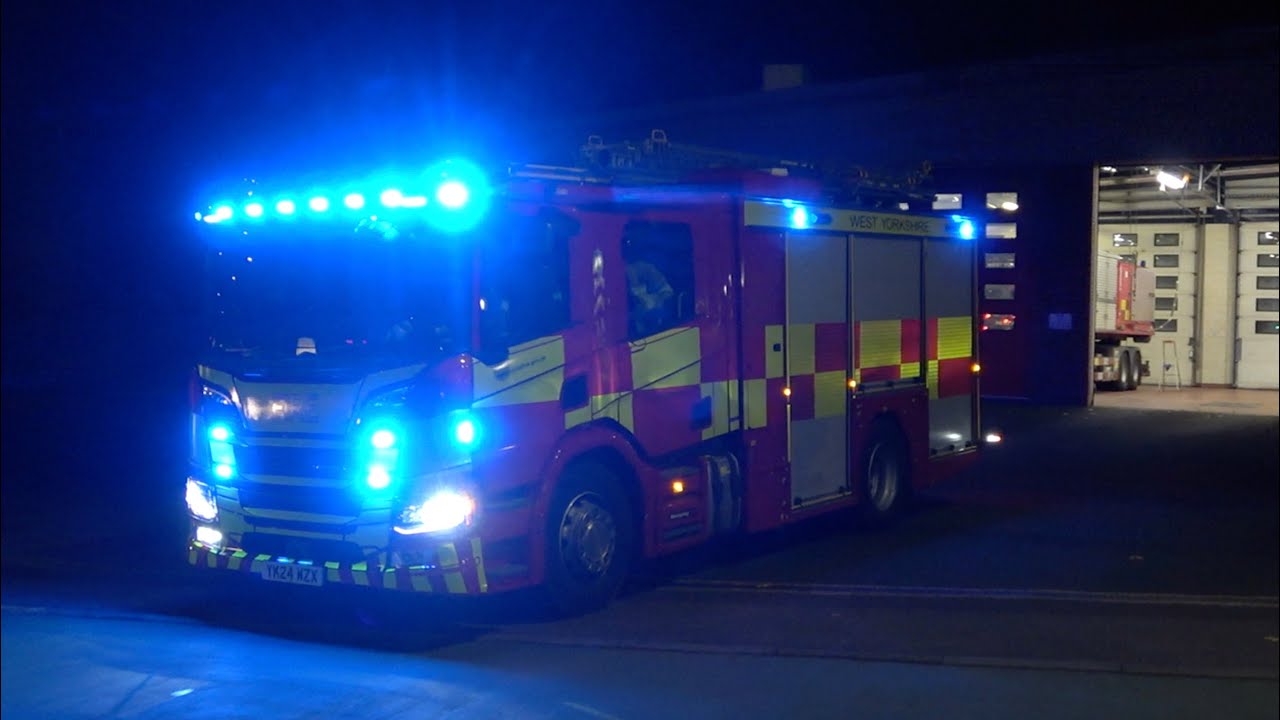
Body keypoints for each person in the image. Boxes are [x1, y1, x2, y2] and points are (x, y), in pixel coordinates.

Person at [625, 258, 674, 336]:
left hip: (654, 331)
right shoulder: (607, 281)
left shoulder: (646, 269)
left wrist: (652, 303)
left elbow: (667, 292)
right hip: (629, 333)